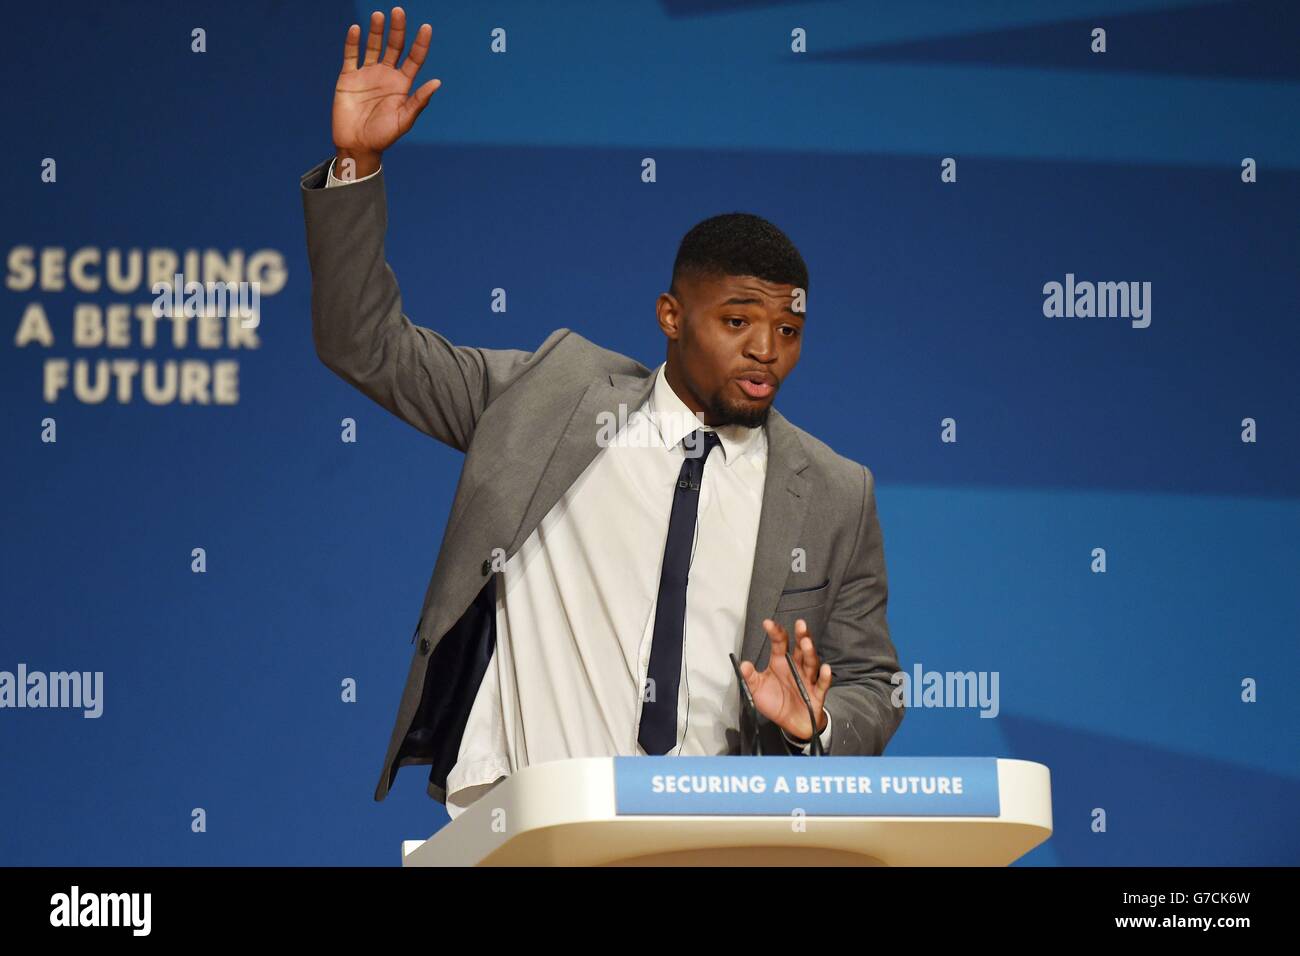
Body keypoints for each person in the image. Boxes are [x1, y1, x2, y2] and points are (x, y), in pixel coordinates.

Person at [302, 7, 904, 816]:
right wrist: (356, 166)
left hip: (713, 831)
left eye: (789, 330)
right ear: (670, 316)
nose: (767, 350)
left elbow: (873, 681)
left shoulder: (836, 491)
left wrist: (815, 724)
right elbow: (364, 345)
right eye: (738, 321)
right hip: (530, 822)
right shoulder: (548, 398)